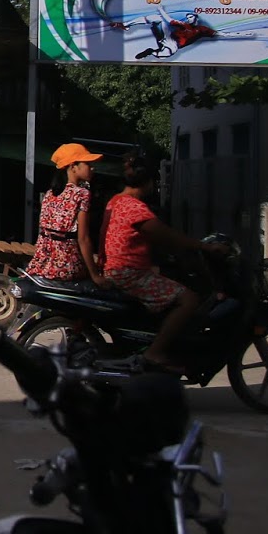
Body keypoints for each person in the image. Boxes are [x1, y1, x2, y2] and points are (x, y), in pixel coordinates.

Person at [102, 152, 220, 373]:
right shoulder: (135, 208)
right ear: (148, 182)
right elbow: (166, 235)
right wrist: (203, 247)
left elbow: (105, 235)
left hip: (118, 267)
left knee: (171, 276)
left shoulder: (116, 201)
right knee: (189, 299)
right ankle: (155, 352)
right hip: (130, 272)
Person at [24, 142, 104, 283]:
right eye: (87, 164)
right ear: (73, 167)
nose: (92, 168)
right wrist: (95, 275)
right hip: (66, 265)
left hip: (40, 264)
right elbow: (83, 239)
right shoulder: (81, 194)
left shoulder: (50, 194)